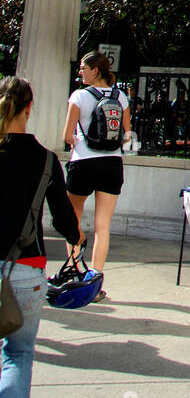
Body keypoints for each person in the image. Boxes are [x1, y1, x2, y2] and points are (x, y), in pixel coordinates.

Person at [0, 77, 84, 398]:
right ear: (29, 108)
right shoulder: (45, 160)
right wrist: (76, 240)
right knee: (18, 353)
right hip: (26, 270)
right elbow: (65, 219)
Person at [61, 51, 132, 300]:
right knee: (103, 226)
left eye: (83, 68)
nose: (80, 72)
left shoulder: (79, 96)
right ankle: (95, 280)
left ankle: (76, 273)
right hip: (112, 164)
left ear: (96, 71)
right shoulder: (120, 96)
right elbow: (127, 133)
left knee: (73, 221)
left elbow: (67, 135)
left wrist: (76, 142)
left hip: (83, 163)